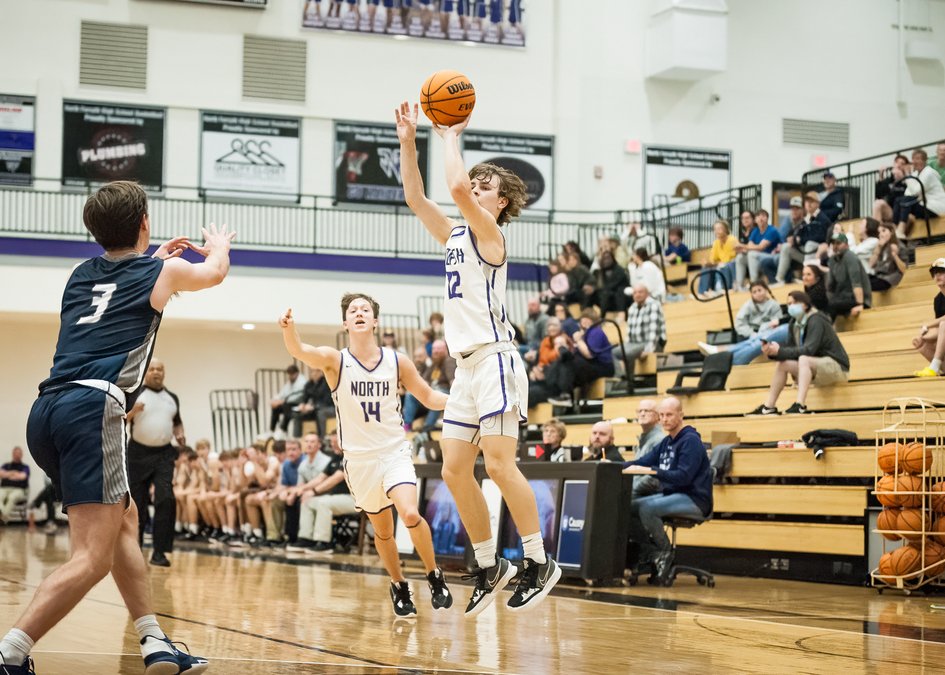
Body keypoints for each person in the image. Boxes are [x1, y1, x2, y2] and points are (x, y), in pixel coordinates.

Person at [5, 181, 234, 674]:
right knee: (92, 558)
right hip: (94, 407)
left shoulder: (79, 274)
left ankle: (153, 642)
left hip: (46, 410)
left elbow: (120, 282)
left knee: (125, 518)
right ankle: (10, 653)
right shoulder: (164, 270)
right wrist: (219, 248)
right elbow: (213, 274)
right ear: (145, 223)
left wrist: (152, 257)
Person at [396, 100, 561, 615]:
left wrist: (449, 134)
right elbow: (416, 197)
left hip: (495, 360)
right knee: (452, 469)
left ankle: (538, 560)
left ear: (503, 202)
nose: (477, 185)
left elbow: (457, 190)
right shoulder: (456, 234)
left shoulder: (492, 235)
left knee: (499, 463)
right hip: (466, 369)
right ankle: (490, 563)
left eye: (488, 184)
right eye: (479, 180)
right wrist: (408, 139)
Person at [280, 292, 453, 617]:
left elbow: (428, 396)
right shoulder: (335, 360)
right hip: (359, 461)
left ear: (375, 320)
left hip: (394, 451)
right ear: (345, 323)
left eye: (365, 309)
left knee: (410, 514)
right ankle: (398, 584)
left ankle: (434, 574)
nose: (359, 313)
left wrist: (461, 400)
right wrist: (289, 330)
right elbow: (300, 351)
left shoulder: (397, 360)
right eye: (353, 310)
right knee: (383, 531)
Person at [622, 397, 712, 579]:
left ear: (681, 415)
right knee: (627, 506)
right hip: (672, 495)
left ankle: (664, 552)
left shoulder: (690, 441)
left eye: (669, 415)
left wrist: (654, 471)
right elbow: (642, 462)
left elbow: (684, 477)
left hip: (694, 499)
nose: (664, 419)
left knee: (647, 508)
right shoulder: (667, 441)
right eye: (661, 415)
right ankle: (652, 550)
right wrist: (615, 465)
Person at [746, 291, 850, 415]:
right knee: (782, 364)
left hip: (837, 367)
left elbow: (809, 350)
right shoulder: (794, 324)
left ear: (805, 305)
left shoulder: (816, 320)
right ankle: (769, 407)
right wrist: (773, 352)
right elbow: (791, 352)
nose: (791, 306)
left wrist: (781, 351)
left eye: (795, 303)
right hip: (815, 367)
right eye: (789, 304)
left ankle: (800, 405)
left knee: (804, 359)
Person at [125, 358, 184, 567]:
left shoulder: (172, 398)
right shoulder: (135, 394)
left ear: (164, 372)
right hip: (138, 455)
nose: (156, 372)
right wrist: (133, 412)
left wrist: (181, 435)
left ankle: (160, 552)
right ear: (146, 372)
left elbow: (177, 423)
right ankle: (135, 551)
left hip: (164, 455)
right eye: (152, 369)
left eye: (160, 369)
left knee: (166, 499)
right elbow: (122, 419)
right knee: (137, 505)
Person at [698, 279, 787, 366]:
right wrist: (751, 334)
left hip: (768, 333)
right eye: (754, 292)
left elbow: (776, 324)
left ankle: (723, 354)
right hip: (749, 334)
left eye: (759, 290)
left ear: (766, 290)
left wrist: (762, 331)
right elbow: (740, 323)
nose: (757, 293)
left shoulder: (774, 305)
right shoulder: (748, 305)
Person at [293, 432, 357, 553]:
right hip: (337, 498)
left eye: (335, 442)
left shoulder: (351, 456)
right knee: (307, 501)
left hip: (353, 499)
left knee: (323, 503)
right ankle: (306, 538)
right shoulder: (335, 457)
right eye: (331, 442)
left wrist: (314, 491)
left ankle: (324, 543)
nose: (332, 445)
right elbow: (321, 477)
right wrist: (303, 489)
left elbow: (336, 478)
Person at [544, 308, 615, 408]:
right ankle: (562, 395)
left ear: (594, 321)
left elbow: (589, 355)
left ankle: (566, 396)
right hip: (589, 365)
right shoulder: (584, 334)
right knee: (561, 362)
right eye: (583, 319)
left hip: (602, 367)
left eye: (588, 319)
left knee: (571, 363)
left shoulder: (596, 332)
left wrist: (578, 340)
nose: (584, 321)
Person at [774, 192, 830, 285]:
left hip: (820, 253)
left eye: (812, 201)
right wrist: (792, 238)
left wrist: (799, 239)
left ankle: (808, 277)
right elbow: (794, 233)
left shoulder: (822, 218)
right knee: (786, 247)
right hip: (806, 253)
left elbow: (818, 237)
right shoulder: (807, 218)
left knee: (810, 244)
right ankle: (780, 279)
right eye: (807, 201)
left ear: (818, 204)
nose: (808, 204)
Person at [613, 284, 666, 380]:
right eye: (635, 293)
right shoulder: (632, 307)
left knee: (627, 353)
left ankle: (629, 382)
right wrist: (625, 344)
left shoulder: (654, 305)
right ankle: (620, 378)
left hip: (650, 343)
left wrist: (648, 350)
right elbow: (629, 331)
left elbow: (654, 331)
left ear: (647, 293)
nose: (637, 295)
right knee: (612, 352)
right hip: (634, 343)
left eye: (640, 292)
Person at [402, 339, 456, 432]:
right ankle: (407, 425)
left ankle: (427, 427)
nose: (435, 351)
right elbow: (424, 381)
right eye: (434, 348)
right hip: (430, 393)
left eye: (439, 348)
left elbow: (453, 382)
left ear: (445, 350)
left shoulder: (448, 361)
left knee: (437, 395)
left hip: (444, 393)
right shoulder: (434, 363)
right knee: (410, 395)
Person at [895, 148, 945, 240]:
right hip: (925, 205)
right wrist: (908, 176)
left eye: (918, 159)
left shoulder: (929, 172)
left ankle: (901, 229)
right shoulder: (915, 175)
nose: (915, 161)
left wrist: (906, 175)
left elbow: (915, 191)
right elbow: (908, 193)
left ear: (924, 161)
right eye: (914, 159)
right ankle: (896, 227)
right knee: (899, 200)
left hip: (935, 207)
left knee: (906, 201)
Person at [911, 258, 945, 378]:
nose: (937, 276)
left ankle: (934, 366)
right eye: (935, 273)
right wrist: (924, 335)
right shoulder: (938, 300)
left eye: (941, 272)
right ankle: (941, 369)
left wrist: (927, 325)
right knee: (920, 340)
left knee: (944, 325)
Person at [826, 233, 872, 319]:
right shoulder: (832, 260)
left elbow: (856, 283)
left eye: (838, 243)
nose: (835, 246)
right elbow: (830, 286)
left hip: (855, 299)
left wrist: (860, 305)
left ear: (846, 245)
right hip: (842, 298)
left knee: (831, 306)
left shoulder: (851, 257)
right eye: (833, 244)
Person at [733, 209, 781, 289]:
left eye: (763, 216)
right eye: (758, 216)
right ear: (755, 220)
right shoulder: (755, 231)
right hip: (759, 257)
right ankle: (739, 286)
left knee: (752, 254)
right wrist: (742, 250)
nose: (761, 218)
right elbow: (749, 246)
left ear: (767, 218)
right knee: (740, 257)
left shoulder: (772, 230)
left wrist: (742, 246)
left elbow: (761, 247)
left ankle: (754, 283)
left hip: (772, 257)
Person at [629, 400, 666, 498]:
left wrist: (631, 488)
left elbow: (655, 476)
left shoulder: (659, 440)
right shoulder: (643, 440)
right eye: (639, 411)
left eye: (647, 411)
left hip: (648, 495)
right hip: (638, 492)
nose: (642, 414)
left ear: (658, 416)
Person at [291, 368, 335, 438]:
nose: (314, 373)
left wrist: (313, 406)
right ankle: (297, 438)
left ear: (321, 372)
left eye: (317, 371)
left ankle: (322, 438)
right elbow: (305, 397)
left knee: (321, 413)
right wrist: (302, 405)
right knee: (297, 414)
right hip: (315, 409)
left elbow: (327, 401)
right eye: (312, 371)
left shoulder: (326, 383)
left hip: (330, 408)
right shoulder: (309, 384)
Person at [697, 220, 737, 296]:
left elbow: (728, 259)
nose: (716, 231)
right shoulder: (716, 242)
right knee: (706, 268)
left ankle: (723, 289)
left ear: (726, 229)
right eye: (715, 229)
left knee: (723, 266)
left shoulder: (732, 239)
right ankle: (702, 293)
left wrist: (716, 263)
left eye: (719, 229)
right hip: (721, 264)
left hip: (730, 264)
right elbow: (713, 260)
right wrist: (708, 263)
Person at [268, 364, 307, 439]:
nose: (290, 376)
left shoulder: (302, 381)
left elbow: (297, 396)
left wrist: (282, 401)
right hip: (288, 403)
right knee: (276, 408)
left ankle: (283, 429)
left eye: (292, 374)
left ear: (297, 373)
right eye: (289, 375)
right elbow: (283, 393)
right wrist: (275, 400)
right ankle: (272, 430)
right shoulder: (290, 382)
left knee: (285, 406)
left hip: (298, 403)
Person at [867, 222, 907, 292]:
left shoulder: (900, 246)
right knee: (862, 279)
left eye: (884, 231)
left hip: (890, 278)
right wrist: (878, 248)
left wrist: (895, 255)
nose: (881, 234)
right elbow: (870, 264)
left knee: (865, 285)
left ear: (891, 231)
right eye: (879, 232)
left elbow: (904, 269)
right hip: (879, 276)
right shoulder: (881, 246)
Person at [873, 154, 910, 223]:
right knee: (878, 203)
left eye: (902, 163)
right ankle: (878, 230)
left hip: (900, 212)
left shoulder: (908, 181)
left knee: (879, 203)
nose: (899, 165)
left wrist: (902, 179)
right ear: (893, 164)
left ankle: (879, 230)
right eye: (897, 162)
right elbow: (878, 195)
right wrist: (881, 177)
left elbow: (903, 197)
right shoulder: (888, 180)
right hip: (888, 210)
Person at [0, 447, 30, 524]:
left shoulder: (25, 467)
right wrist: (15, 473)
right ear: (13, 454)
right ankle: (4, 517)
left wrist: (8, 474)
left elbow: (22, 476)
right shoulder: (6, 465)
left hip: (19, 490)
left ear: (21, 455)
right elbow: (1, 474)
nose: (17, 455)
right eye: (15, 453)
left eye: (19, 453)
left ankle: (3, 516)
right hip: (4, 488)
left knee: (12, 497)